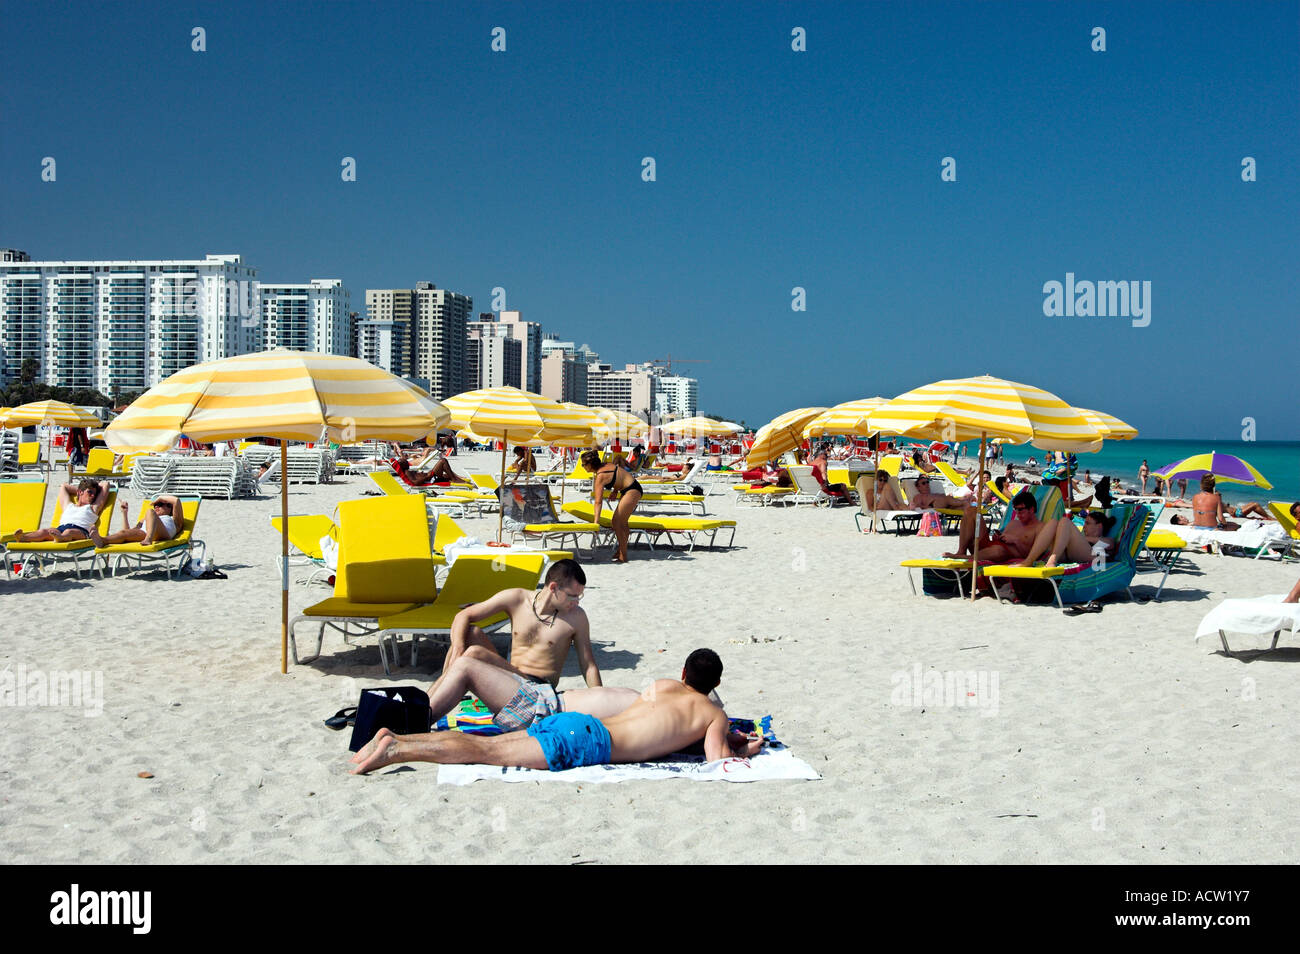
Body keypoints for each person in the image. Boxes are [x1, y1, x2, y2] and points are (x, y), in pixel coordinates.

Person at [350, 648, 764, 775]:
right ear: (717, 686)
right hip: (588, 742)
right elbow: (716, 763)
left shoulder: (662, 685)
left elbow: (659, 721)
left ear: (683, 671)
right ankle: (396, 750)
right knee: (487, 754)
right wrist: (745, 750)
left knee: (484, 745)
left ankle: (398, 737)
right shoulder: (712, 715)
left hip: (576, 722)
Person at [439, 559, 601, 690]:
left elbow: (588, 665)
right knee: (469, 633)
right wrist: (459, 648)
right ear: (553, 587)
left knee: (474, 652)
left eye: (580, 596)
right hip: (509, 676)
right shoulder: (517, 599)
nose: (577, 602)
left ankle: (432, 702)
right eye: (572, 596)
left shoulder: (576, 617)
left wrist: (600, 696)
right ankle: (428, 704)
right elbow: (463, 615)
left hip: (539, 688)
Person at [943, 489, 1045, 562]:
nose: (1018, 513)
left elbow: (1032, 555)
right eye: (1016, 510)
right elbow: (1000, 539)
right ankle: (961, 551)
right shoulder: (1013, 523)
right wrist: (998, 536)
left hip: (1000, 553)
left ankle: (965, 558)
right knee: (972, 510)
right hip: (987, 546)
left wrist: (1015, 541)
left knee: (999, 551)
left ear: (1031, 509)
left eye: (1021, 510)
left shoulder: (1040, 528)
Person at [583, 449, 642, 563]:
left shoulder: (600, 476)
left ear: (590, 465)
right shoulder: (606, 464)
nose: (582, 467)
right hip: (632, 487)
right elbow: (620, 473)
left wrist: (596, 523)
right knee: (622, 522)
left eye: (583, 464)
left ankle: (623, 555)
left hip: (632, 490)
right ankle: (621, 550)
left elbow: (598, 502)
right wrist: (615, 490)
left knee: (616, 522)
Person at [12, 480, 110, 543]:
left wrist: (89, 489)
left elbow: (105, 484)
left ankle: (61, 538)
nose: (93, 495)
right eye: (90, 492)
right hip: (60, 529)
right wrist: (80, 490)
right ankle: (22, 538)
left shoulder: (93, 507)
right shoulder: (69, 505)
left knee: (69, 532)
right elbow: (64, 486)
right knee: (45, 531)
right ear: (80, 492)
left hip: (81, 532)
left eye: (94, 493)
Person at [1013, 511, 1119, 568]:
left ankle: (1052, 560)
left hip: (1095, 560)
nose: (1084, 526)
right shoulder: (1083, 539)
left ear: (1099, 526)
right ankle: (1029, 560)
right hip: (1070, 555)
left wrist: (1084, 538)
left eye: (1087, 523)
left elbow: (1108, 545)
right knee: (1053, 522)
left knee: (1064, 521)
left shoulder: (1107, 540)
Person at [92, 494, 182, 546]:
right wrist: (125, 514)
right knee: (123, 533)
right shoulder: (147, 517)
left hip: (163, 534)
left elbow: (176, 500)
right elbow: (130, 531)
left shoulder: (174, 520)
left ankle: (149, 539)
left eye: (161, 504)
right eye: (156, 505)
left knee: (150, 512)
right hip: (144, 533)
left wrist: (159, 498)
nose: (157, 506)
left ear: (171, 509)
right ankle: (102, 540)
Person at [391, 448, 468, 486]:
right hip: (431, 478)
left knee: (447, 474)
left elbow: (416, 478)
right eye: (402, 460)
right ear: (402, 465)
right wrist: (427, 476)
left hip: (431, 476)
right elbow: (415, 482)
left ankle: (462, 481)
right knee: (443, 461)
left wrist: (424, 474)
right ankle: (455, 479)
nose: (405, 460)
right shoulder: (407, 472)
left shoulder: (408, 470)